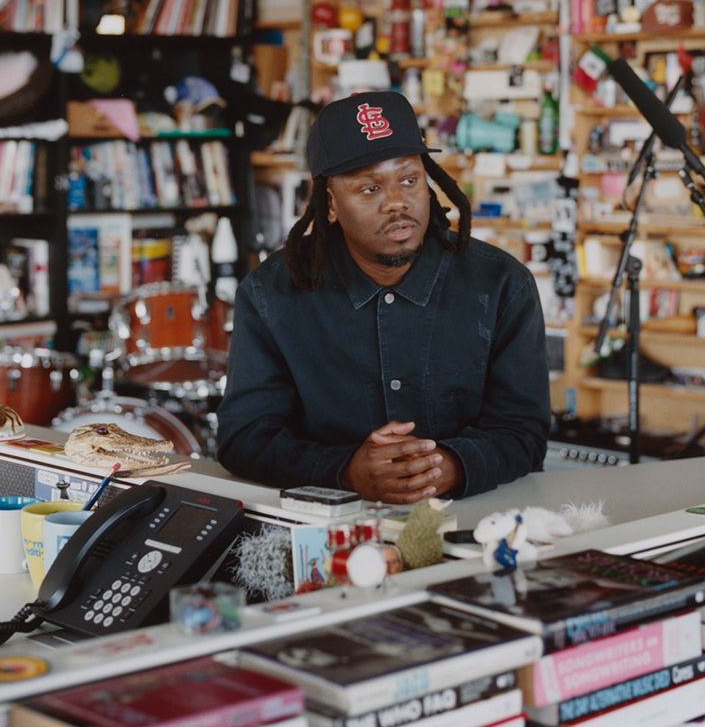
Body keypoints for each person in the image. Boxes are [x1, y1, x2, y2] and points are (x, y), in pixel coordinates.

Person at [216, 91, 550, 503]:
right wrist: (343, 470)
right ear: (331, 204)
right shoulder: (272, 293)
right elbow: (244, 437)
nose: (396, 202)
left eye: (409, 180)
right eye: (370, 188)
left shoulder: (501, 284)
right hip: (325, 529)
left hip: (475, 525)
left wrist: (451, 464)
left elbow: (525, 431)